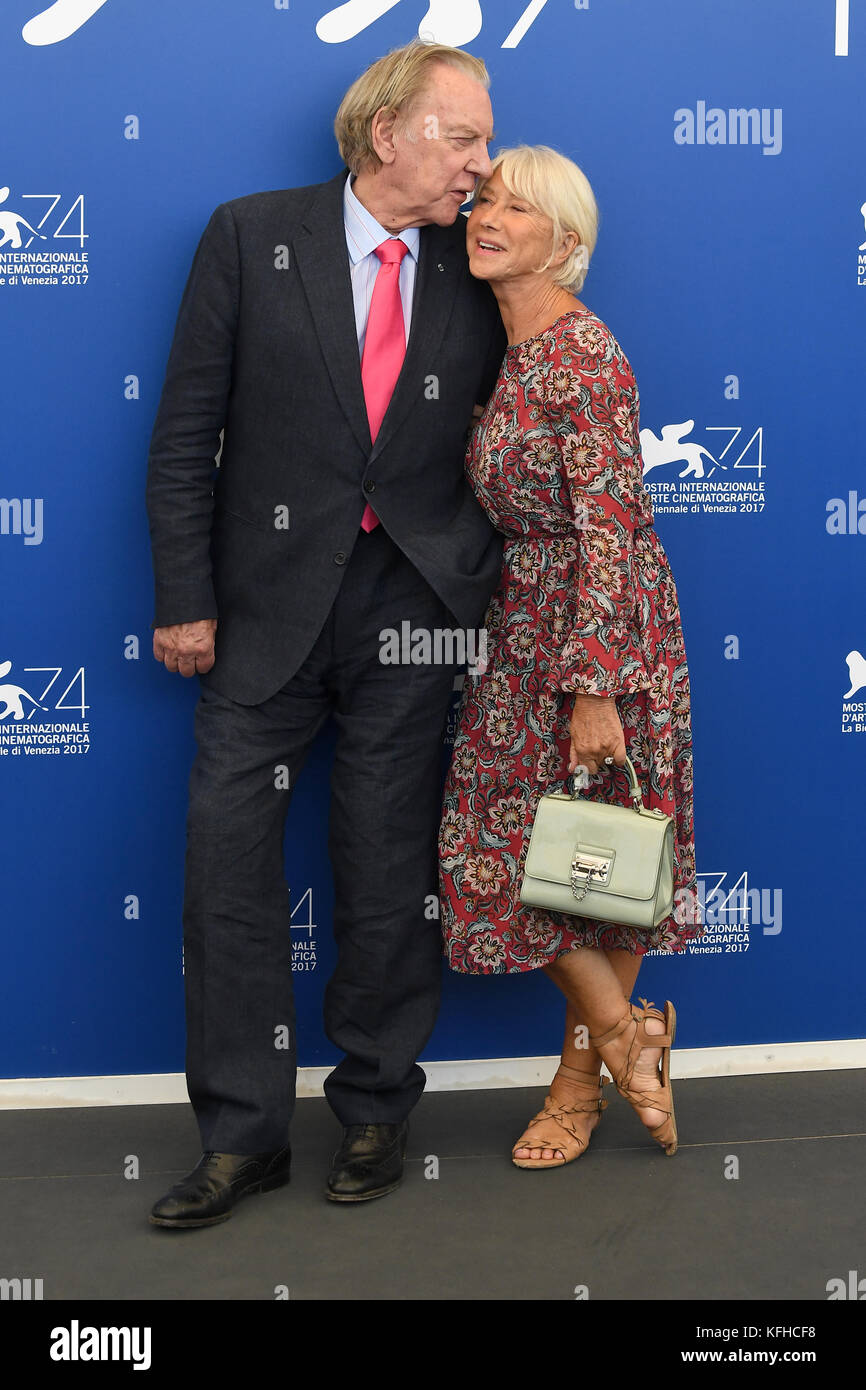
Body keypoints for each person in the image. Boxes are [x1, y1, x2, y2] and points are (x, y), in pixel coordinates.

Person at [145, 40, 506, 1225]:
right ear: (384, 131)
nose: (479, 163)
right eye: (461, 137)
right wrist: (184, 598)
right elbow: (185, 433)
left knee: (387, 867)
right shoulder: (250, 235)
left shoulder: (479, 256)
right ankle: (243, 1135)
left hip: (413, 609)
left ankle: (372, 1111)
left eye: (484, 139)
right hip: (261, 613)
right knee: (226, 869)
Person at [438, 145, 702, 1168]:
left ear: (568, 241)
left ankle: (578, 1083)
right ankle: (628, 1038)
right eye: (483, 200)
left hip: (597, 630)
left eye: (515, 207)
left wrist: (594, 684)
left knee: (595, 857)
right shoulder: (516, 351)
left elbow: (610, 528)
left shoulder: (583, 356)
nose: (485, 215)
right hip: (521, 626)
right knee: (518, 853)